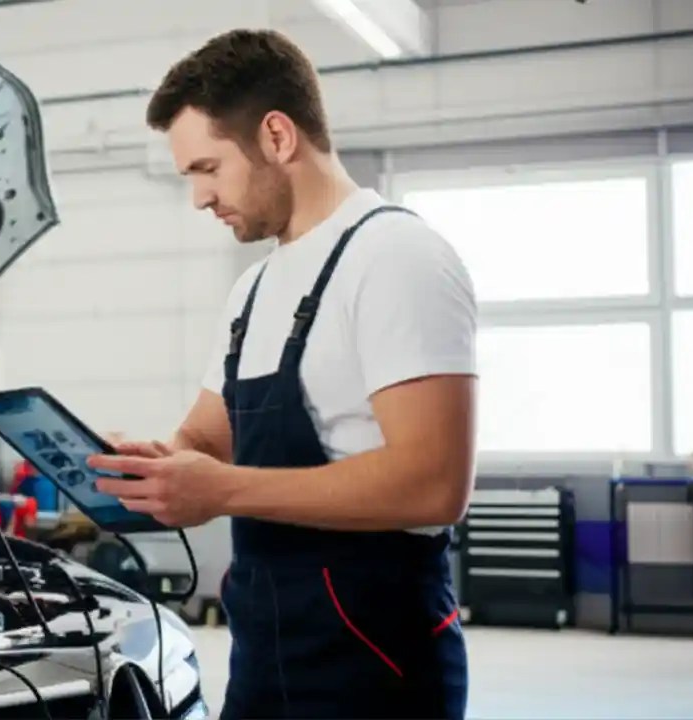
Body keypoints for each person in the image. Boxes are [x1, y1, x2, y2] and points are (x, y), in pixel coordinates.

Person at [86, 28, 477, 720]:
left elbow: (435, 484)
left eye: (207, 168)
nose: (199, 198)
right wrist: (158, 464)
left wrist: (222, 489)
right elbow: (207, 439)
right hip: (264, 654)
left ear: (276, 136)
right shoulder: (254, 289)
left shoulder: (396, 256)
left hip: (378, 660)